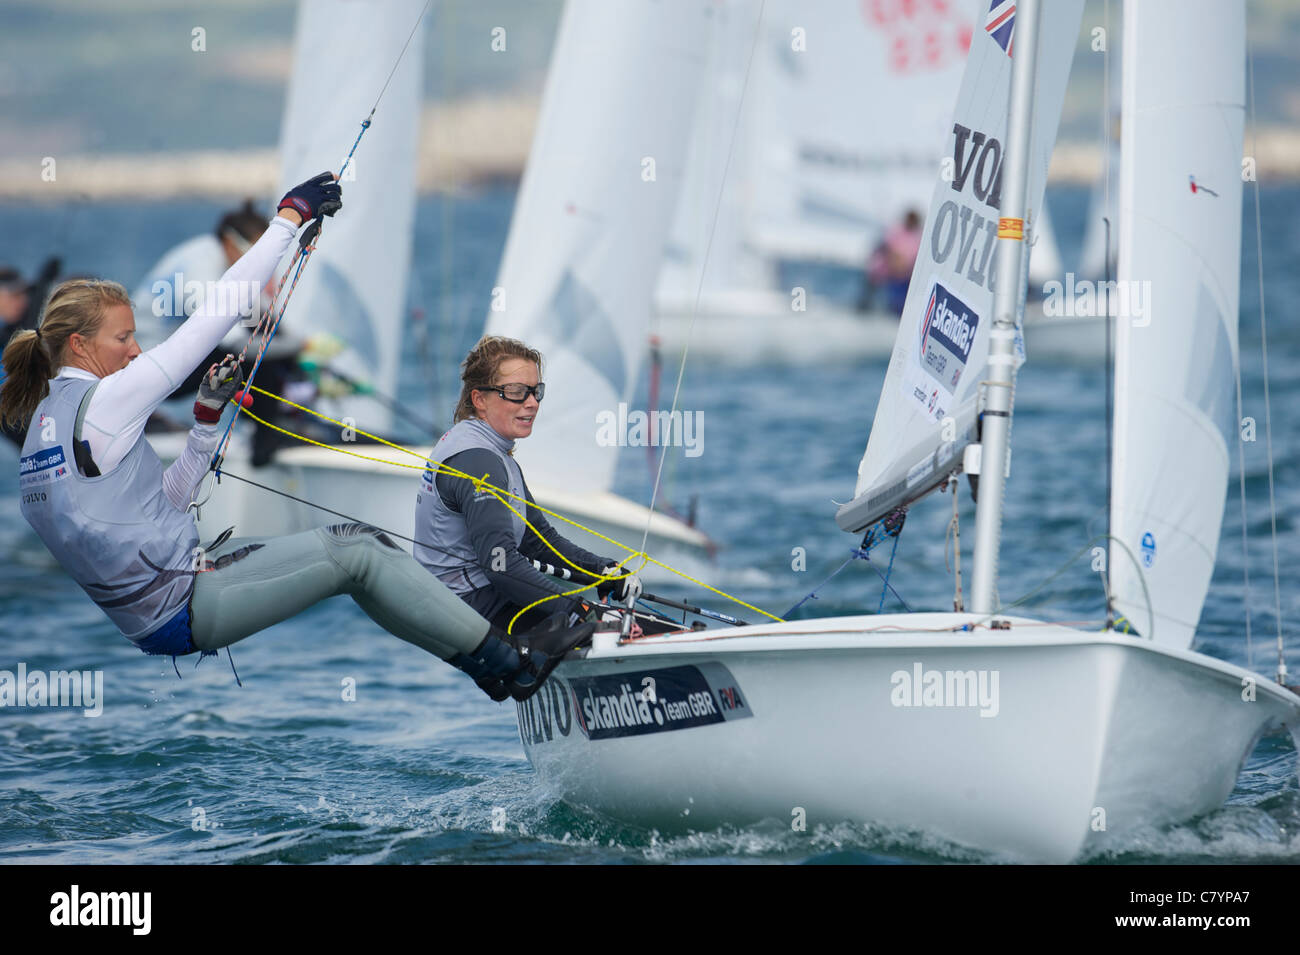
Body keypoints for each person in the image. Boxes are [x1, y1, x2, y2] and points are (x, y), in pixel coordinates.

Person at [0, 173, 590, 703]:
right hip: (182, 605)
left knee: (359, 556)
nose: (135, 350)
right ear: (79, 346)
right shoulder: (104, 402)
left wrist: (206, 419)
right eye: (123, 338)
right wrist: (290, 217)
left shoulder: (45, 430)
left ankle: (489, 664)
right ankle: (506, 661)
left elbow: (166, 507)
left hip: (164, 608)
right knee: (356, 551)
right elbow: (216, 314)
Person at [414, 336, 642, 638]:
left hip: (478, 598)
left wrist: (601, 570)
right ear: (479, 400)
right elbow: (501, 564)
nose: (532, 402)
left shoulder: (488, 449)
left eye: (536, 391)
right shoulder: (478, 460)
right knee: (607, 630)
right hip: (466, 607)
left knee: (614, 625)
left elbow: (536, 540)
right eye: (517, 393)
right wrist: (574, 609)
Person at [132, 200, 309, 465]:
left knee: (272, 349)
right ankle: (264, 441)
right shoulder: (199, 268)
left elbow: (265, 318)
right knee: (252, 357)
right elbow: (237, 344)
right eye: (257, 251)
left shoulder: (221, 259)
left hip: (170, 360)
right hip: (144, 367)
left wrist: (298, 351)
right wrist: (300, 346)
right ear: (230, 242)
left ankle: (274, 426)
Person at [1, 258, 62, 445]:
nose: (21, 301)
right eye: (13, 295)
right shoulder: (10, 332)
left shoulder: (25, 323)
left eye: (24, 294)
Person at [860, 208, 922, 315]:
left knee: (896, 306)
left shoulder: (918, 238)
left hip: (902, 276)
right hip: (882, 270)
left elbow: (914, 260)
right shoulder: (895, 231)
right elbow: (883, 247)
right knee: (867, 300)